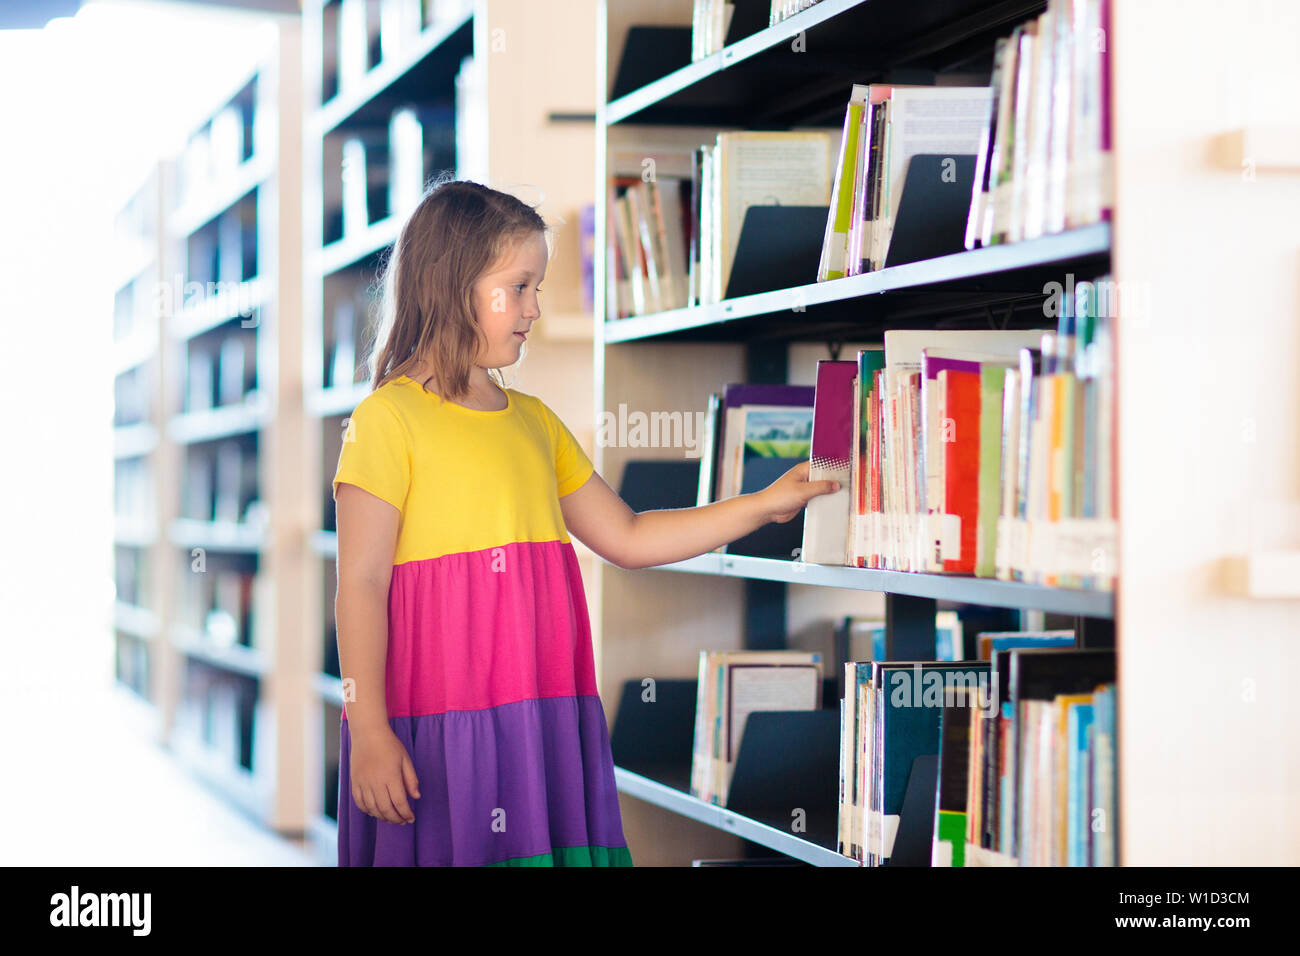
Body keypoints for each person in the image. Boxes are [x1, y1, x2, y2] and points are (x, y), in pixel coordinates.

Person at [332, 177, 840, 866]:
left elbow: (628, 538)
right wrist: (368, 729)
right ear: (454, 285)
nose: (535, 309)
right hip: (434, 729)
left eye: (536, 289)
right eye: (519, 287)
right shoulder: (386, 421)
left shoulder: (536, 424)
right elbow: (360, 582)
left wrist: (762, 506)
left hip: (539, 719)